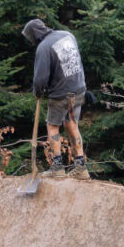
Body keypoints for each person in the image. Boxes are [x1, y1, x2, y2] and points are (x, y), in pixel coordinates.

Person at [22, 18, 89, 177]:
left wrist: (38, 92)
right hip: (78, 89)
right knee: (72, 125)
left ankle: (57, 168)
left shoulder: (43, 48)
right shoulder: (67, 35)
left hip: (61, 95)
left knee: (53, 127)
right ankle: (81, 168)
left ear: (34, 35)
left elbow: (39, 80)